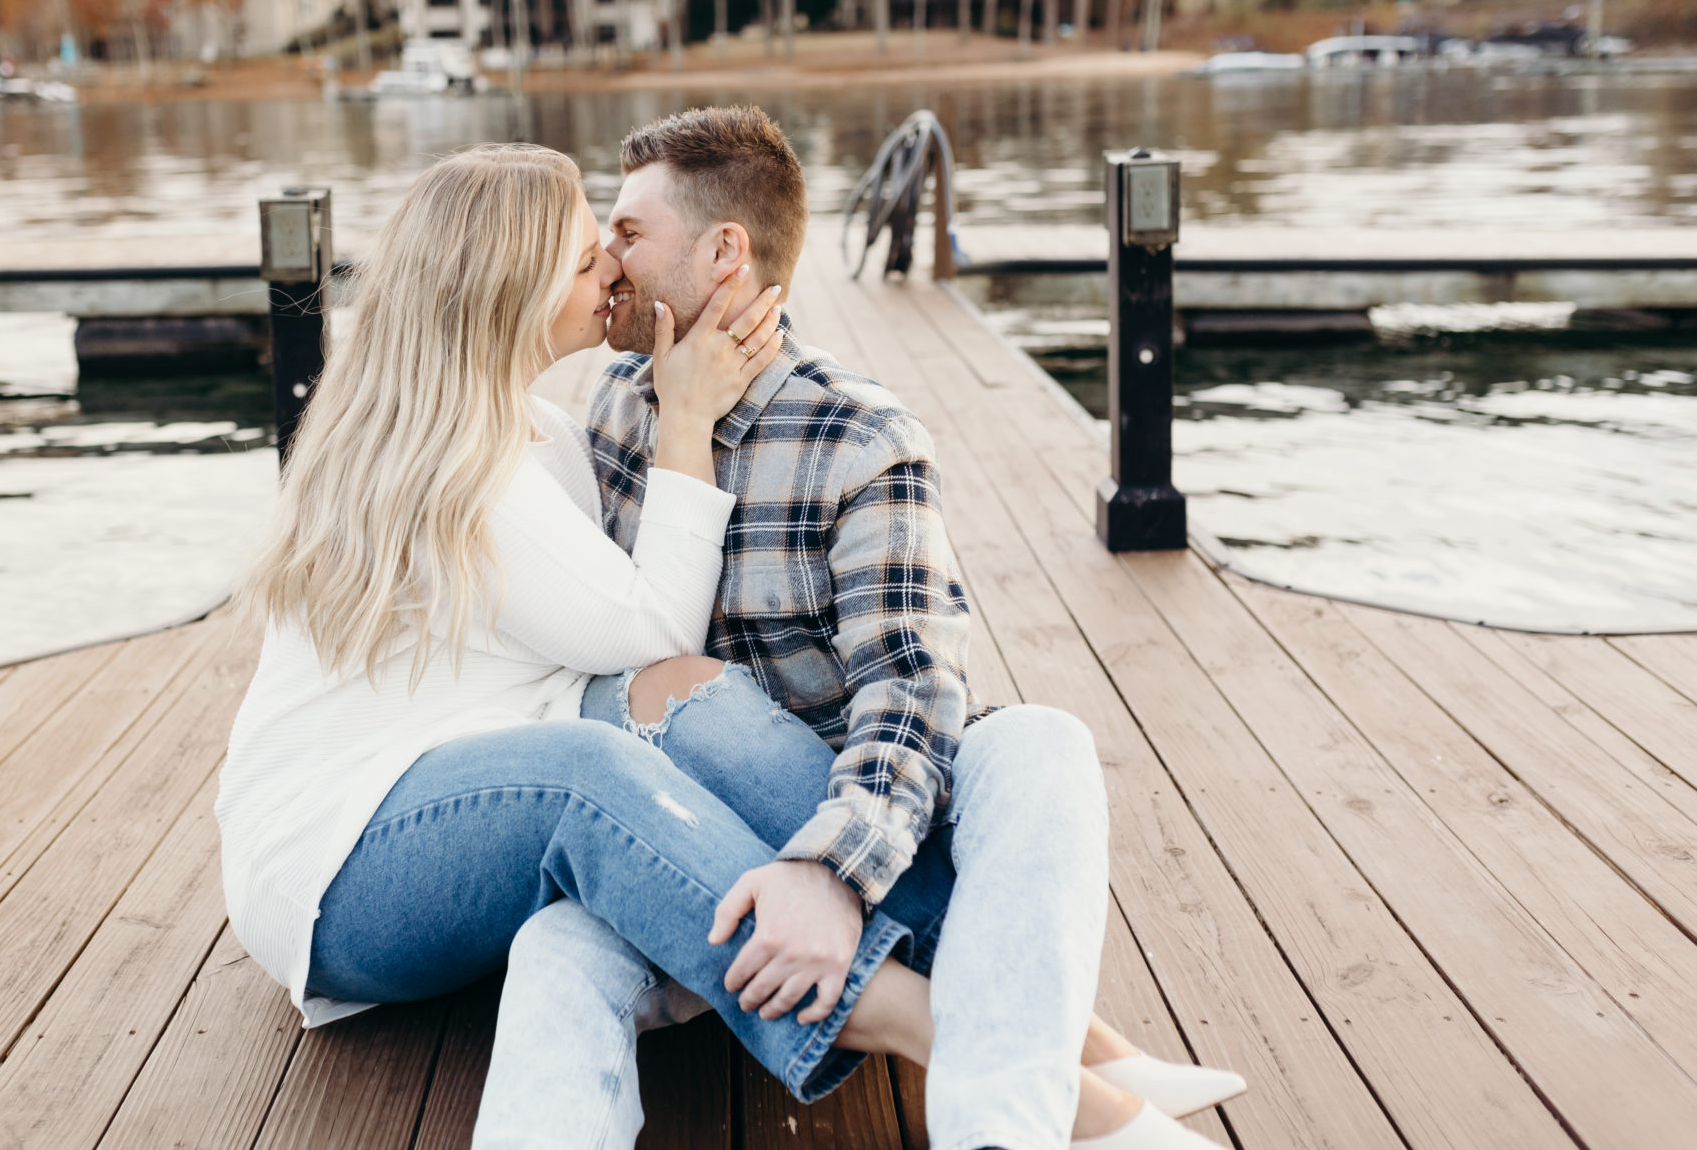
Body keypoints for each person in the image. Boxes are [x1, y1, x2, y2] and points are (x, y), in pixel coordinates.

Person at [472, 109, 1247, 1150]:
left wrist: (832, 869)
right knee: (556, 947)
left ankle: (1005, 1130)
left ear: (722, 252)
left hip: (851, 834)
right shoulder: (605, 410)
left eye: (626, 232)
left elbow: (911, 686)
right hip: (682, 853)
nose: (603, 259)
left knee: (1034, 743)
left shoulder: (857, 434)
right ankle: (1089, 1074)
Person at [219, 142, 935, 1108]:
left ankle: (955, 930)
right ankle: (930, 1018)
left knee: (676, 699)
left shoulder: (541, 429)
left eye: (612, 242)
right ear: (503, 287)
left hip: (463, 801)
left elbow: (640, 657)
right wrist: (686, 419)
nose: (611, 268)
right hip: (338, 874)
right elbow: (648, 625)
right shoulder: (463, 467)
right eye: (583, 256)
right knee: (593, 768)